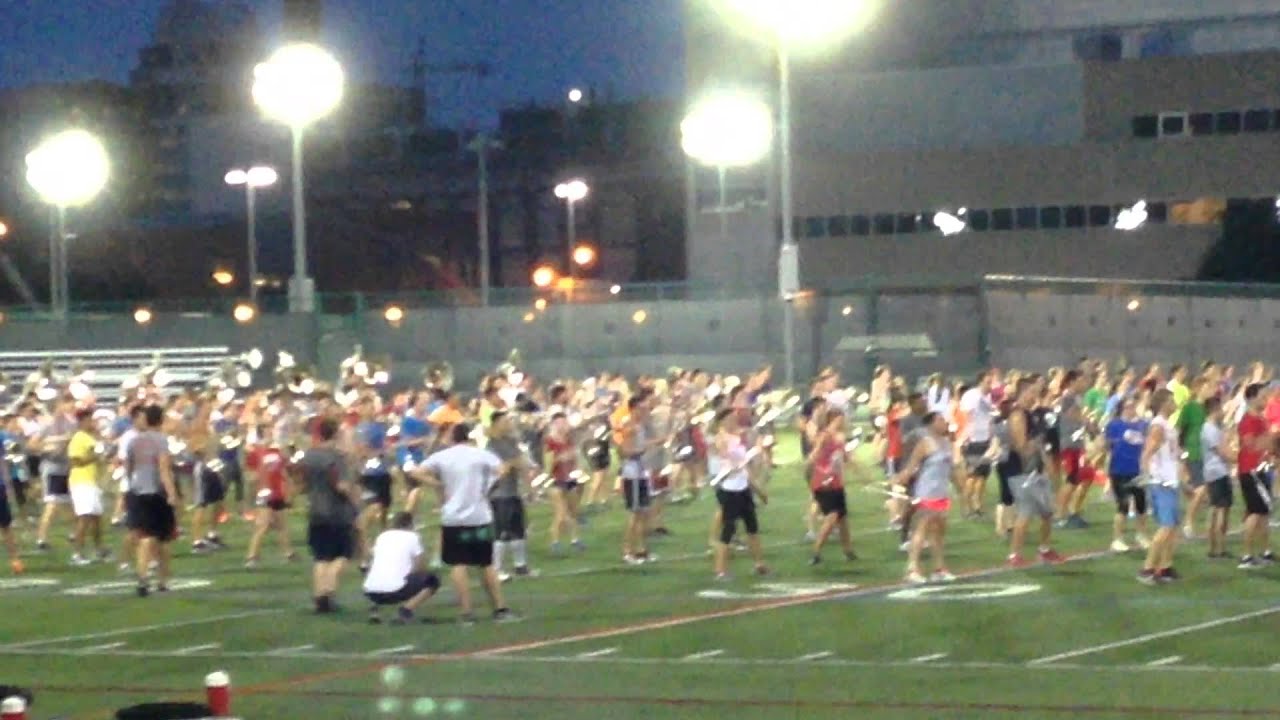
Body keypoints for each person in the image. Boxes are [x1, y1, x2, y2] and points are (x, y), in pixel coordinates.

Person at [416, 423, 517, 624]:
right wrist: (489, 485)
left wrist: (438, 484)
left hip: (453, 518)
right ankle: (500, 608)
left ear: (452, 437)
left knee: (458, 564)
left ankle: (466, 612)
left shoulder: (442, 456)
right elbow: (503, 469)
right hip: (479, 516)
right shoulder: (480, 454)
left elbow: (416, 472)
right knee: (485, 563)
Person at [297, 418, 360, 614]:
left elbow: (301, 484)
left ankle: (319, 596)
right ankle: (329, 592)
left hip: (315, 510)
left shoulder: (308, 456)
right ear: (335, 434)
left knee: (321, 557)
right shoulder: (336, 457)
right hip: (337, 512)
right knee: (343, 555)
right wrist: (355, 502)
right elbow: (342, 486)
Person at [896, 411, 962, 584]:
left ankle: (939, 568)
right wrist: (901, 479)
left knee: (939, 531)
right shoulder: (925, 443)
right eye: (941, 420)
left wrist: (959, 488)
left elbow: (951, 470)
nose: (945, 422)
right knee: (922, 528)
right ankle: (912, 569)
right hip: (926, 492)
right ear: (931, 424)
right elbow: (911, 468)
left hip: (941, 492)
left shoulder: (947, 443)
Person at [1006, 378, 1065, 567]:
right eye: (1031, 392)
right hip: (1022, 471)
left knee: (1047, 512)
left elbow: (1041, 448)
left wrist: (1050, 468)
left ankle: (1044, 550)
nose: (1034, 396)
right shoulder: (1018, 415)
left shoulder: (1034, 415)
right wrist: (1037, 443)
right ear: (1022, 393)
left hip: (1036, 470)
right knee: (1025, 513)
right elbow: (1021, 446)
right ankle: (1015, 555)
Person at [125, 405, 179, 597]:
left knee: (145, 537)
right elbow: (164, 469)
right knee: (163, 539)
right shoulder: (161, 441)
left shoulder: (134, 441)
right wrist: (172, 493)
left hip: (138, 490)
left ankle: (142, 577)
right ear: (161, 420)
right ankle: (163, 582)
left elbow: (129, 467)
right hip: (157, 492)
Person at [709, 408, 769, 579]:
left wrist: (757, 489)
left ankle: (759, 564)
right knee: (728, 529)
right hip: (729, 489)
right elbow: (725, 456)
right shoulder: (721, 438)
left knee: (752, 527)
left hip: (742, 487)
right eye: (729, 419)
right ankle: (720, 570)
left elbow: (743, 467)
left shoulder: (737, 438)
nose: (733, 421)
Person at [1137, 389, 1184, 585]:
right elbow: (1147, 453)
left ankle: (1165, 566)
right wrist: (1149, 476)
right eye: (1171, 400)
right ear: (1164, 403)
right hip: (1162, 482)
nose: (1175, 404)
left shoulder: (1167, 425)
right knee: (1165, 527)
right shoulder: (1158, 426)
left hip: (1170, 480)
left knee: (1172, 527)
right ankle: (1147, 568)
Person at [363, 512, 441, 624]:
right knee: (433, 580)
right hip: (395, 590)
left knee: (378, 572)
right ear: (410, 524)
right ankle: (406, 610)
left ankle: (374, 610)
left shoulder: (383, 536)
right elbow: (421, 565)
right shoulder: (413, 537)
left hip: (370, 591)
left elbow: (373, 558)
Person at [485, 411, 535, 582]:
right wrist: (516, 462)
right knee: (501, 532)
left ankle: (521, 566)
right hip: (499, 493)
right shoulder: (491, 445)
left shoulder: (510, 442)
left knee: (518, 530)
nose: (509, 424)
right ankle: (496, 570)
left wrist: (528, 487)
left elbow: (522, 464)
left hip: (513, 491)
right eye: (505, 421)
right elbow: (501, 468)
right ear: (496, 423)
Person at [807, 409, 856, 565]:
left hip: (836, 483)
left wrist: (862, 475)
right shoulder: (824, 436)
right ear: (833, 419)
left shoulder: (839, 438)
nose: (843, 422)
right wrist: (820, 473)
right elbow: (813, 457)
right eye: (840, 419)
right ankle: (816, 551)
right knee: (833, 516)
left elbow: (846, 459)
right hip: (824, 483)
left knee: (843, 519)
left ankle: (848, 551)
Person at [1235, 383, 1275, 569]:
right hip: (1251, 470)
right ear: (1251, 398)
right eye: (1262, 395)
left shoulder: (1261, 419)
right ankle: (1246, 556)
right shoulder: (1249, 420)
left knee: (1264, 512)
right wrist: (1271, 439)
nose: (1266, 398)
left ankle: (1265, 551)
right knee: (1255, 511)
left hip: (1261, 470)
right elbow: (1249, 445)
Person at [1104, 398, 1151, 553]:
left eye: (1133, 406)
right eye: (1128, 407)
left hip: (1136, 470)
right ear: (1121, 409)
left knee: (1141, 505)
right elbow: (1107, 446)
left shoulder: (1141, 425)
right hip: (1119, 470)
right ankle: (1117, 539)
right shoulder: (1114, 425)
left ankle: (1142, 535)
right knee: (1123, 506)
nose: (1132, 409)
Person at [34, 396, 77, 550]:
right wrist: (53, 444)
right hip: (51, 467)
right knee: (52, 504)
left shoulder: (71, 423)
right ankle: (41, 538)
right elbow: (33, 445)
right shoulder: (46, 424)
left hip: (66, 467)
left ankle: (75, 532)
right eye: (64, 404)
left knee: (68, 504)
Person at [66, 408, 106, 566]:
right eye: (90, 420)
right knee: (84, 518)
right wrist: (95, 456)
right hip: (81, 481)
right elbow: (75, 461)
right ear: (82, 422)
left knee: (96, 518)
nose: (93, 423)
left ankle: (99, 549)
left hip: (91, 481)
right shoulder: (78, 438)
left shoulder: (90, 437)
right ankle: (77, 553)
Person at [1200, 396, 1235, 559]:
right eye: (1220, 409)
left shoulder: (1213, 428)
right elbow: (1222, 452)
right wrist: (1238, 458)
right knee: (1220, 509)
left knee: (1215, 508)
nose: (1223, 412)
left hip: (1214, 471)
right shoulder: (1210, 429)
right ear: (1214, 410)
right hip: (1217, 472)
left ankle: (1213, 548)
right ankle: (1218, 549)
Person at [958, 371, 996, 519]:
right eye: (987, 382)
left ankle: (978, 506)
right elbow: (965, 416)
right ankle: (966, 507)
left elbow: (989, 417)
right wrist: (965, 437)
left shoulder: (987, 397)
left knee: (982, 476)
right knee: (972, 475)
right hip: (973, 440)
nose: (990, 386)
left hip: (986, 439)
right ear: (980, 381)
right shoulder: (971, 396)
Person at [1177, 376, 1210, 539]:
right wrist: (1181, 452)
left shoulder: (1208, 407)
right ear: (1197, 389)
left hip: (1208, 453)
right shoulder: (1189, 408)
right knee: (1201, 489)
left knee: (1203, 492)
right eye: (1205, 387)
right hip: (1193, 451)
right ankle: (1188, 522)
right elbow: (1181, 430)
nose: (1208, 389)